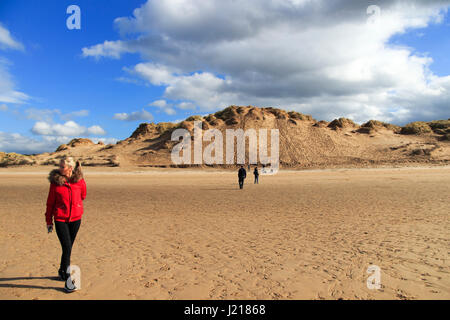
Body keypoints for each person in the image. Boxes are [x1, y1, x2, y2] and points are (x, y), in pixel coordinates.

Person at [45, 156, 86, 293]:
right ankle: (68, 280)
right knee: (67, 248)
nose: (59, 168)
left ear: (70, 168)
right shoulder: (55, 183)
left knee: (67, 248)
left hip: (76, 219)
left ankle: (62, 271)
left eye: (62, 166)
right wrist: (48, 221)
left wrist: (76, 204)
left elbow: (83, 195)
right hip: (60, 220)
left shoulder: (80, 182)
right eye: (59, 165)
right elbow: (50, 202)